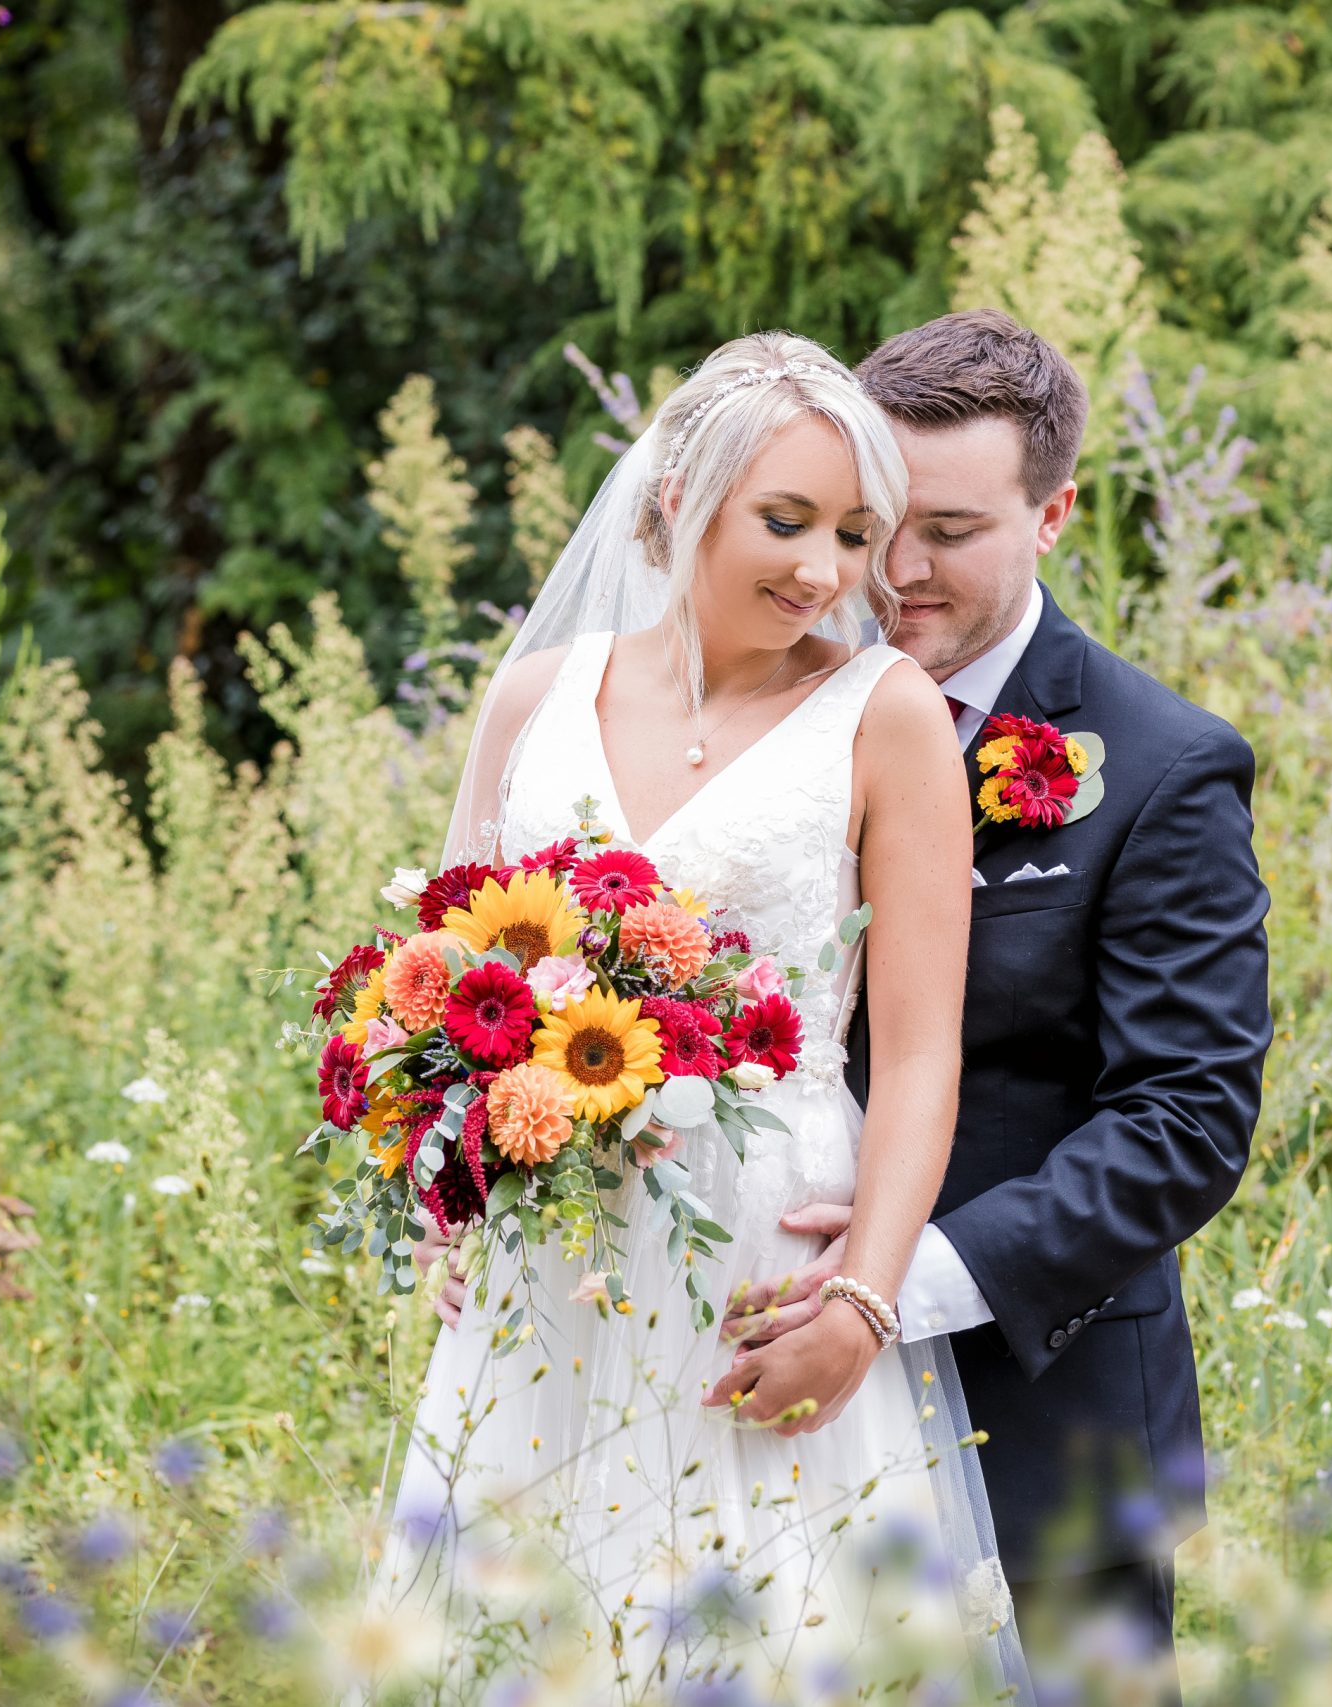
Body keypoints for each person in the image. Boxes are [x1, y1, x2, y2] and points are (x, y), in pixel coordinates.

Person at [386, 330, 1027, 1697]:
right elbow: (446, 984)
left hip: (764, 1268)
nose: (826, 571)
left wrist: (863, 1295)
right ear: (677, 498)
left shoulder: (886, 715)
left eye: (857, 533)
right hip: (549, 1260)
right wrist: (441, 1187)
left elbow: (919, 1051)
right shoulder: (533, 700)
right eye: (786, 520)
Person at [717, 310, 1274, 1701]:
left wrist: (895, 1282)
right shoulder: (761, 727)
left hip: (1045, 1420)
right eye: (878, 520)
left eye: (951, 531)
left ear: (1056, 515)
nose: (897, 572)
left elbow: (1186, 1119)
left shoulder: (1161, 769)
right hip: (759, 1392)